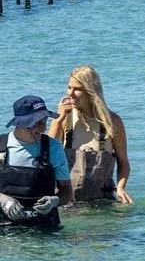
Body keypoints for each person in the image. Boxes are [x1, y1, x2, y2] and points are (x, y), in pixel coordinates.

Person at [0, 95, 74, 231]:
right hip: (3, 230)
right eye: (37, 123)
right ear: (20, 123)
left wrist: (54, 201)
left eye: (44, 121)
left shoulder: (54, 148)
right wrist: (1, 200)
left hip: (46, 230)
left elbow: (67, 192)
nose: (43, 128)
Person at [47, 65, 133, 205]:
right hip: (67, 203)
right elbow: (46, 154)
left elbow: (123, 163)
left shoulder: (112, 122)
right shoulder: (64, 120)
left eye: (77, 89)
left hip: (102, 202)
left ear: (90, 91)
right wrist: (57, 120)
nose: (70, 94)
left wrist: (120, 188)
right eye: (69, 88)